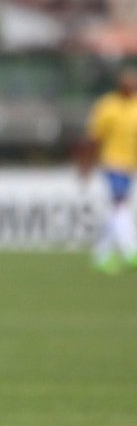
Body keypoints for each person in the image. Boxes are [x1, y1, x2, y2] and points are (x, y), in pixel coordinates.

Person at [81, 67, 137, 273]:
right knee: (120, 204)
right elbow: (94, 138)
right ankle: (131, 251)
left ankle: (101, 254)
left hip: (131, 165)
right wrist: (86, 165)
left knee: (116, 211)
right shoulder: (107, 106)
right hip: (113, 163)